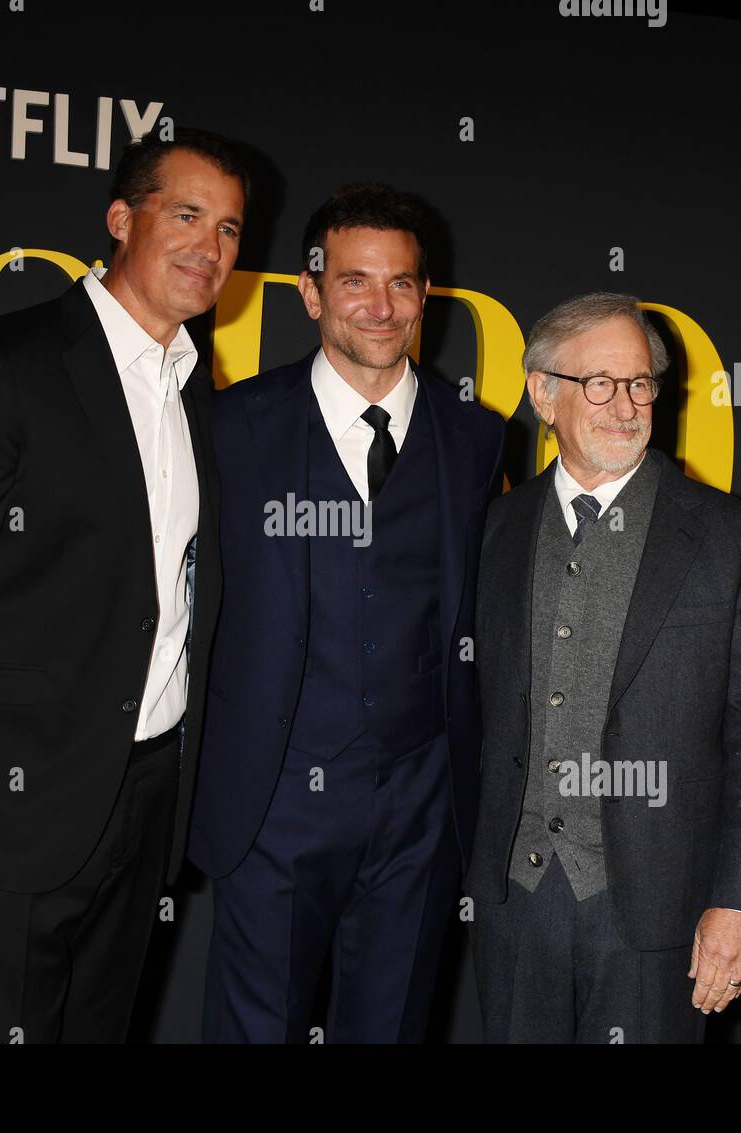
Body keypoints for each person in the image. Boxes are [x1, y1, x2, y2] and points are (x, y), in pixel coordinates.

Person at [0, 128, 248, 1042]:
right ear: (122, 218)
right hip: (10, 812)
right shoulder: (8, 364)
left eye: (233, 229)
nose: (211, 247)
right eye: (188, 214)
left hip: (147, 796)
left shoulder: (198, 386)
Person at [191, 183, 505, 1042]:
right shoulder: (231, 425)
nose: (380, 304)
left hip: (421, 802)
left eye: (401, 283)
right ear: (311, 291)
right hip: (275, 796)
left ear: (425, 297)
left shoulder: (477, 437)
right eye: (356, 280)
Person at [467, 292, 741, 1042]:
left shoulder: (733, 539)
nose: (626, 404)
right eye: (601, 383)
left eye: (641, 382)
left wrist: (740, 899)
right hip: (514, 901)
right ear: (543, 393)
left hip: (659, 909)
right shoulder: (492, 530)